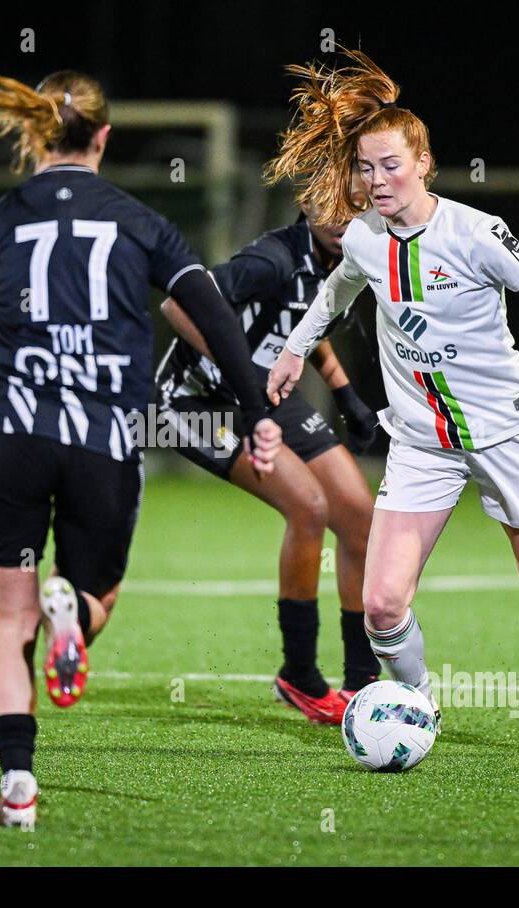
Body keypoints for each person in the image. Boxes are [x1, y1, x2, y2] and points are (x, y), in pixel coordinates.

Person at [265, 48, 519, 759]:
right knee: (381, 608)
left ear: (424, 163)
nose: (376, 180)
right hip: (421, 444)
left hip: (506, 434)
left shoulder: (476, 235)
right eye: (365, 168)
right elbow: (334, 293)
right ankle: (418, 709)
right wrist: (292, 351)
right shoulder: (365, 239)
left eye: (390, 166)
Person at [0, 61, 283, 828]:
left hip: (10, 431)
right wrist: (255, 410)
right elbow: (213, 317)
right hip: (103, 436)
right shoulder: (141, 223)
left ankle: (19, 788)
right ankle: (76, 614)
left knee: (5, 626)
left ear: (34, 133)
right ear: (103, 137)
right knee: (95, 592)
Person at [155, 193, 382, 725]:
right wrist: (240, 375)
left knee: (358, 515)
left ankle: (362, 681)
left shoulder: (345, 262)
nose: (345, 218)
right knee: (308, 507)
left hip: (266, 395)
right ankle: (298, 677)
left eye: (357, 205)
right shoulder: (273, 258)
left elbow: (302, 326)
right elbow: (178, 303)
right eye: (333, 206)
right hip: (197, 402)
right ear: (306, 204)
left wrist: (344, 391)